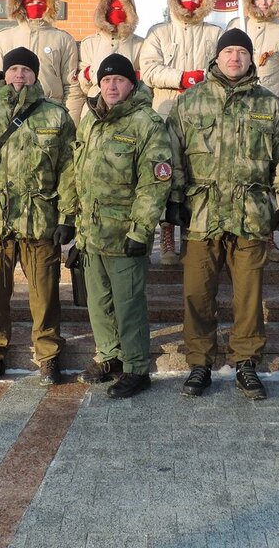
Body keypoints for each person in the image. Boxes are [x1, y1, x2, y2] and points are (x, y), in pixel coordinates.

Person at [166, 29, 279, 401]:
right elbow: (173, 152)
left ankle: (246, 362)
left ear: (251, 58)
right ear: (217, 57)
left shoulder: (269, 105)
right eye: (229, 51)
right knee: (197, 294)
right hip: (201, 213)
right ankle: (200, 363)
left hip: (250, 214)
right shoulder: (190, 103)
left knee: (248, 296)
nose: (235, 58)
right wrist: (174, 199)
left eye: (242, 51)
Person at [0, 47, 76, 386]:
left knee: (45, 295)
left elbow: (69, 170)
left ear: (36, 75)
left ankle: (49, 355)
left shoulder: (56, 116)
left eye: (26, 69)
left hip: (40, 220)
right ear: (3, 74)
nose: (19, 75)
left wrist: (68, 217)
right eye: (14, 69)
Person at [74, 54, 172, 398]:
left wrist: (141, 230)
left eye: (118, 80)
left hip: (125, 234)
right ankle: (109, 355)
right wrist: (74, 226)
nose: (111, 86)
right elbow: (78, 174)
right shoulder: (90, 121)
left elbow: (155, 183)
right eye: (105, 80)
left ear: (132, 83)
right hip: (91, 232)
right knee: (98, 302)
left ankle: (135, 367)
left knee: (128, 303)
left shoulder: (146, 123)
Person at [139, 0, 221, 266]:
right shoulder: (159, 32)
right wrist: (180, 78)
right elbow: (148, 69)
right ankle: (167, 232)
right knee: (165, 172)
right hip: (165, 110)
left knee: (196, 172)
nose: (190, 2)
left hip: (203, 115)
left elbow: (221, 68)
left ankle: (194, 231)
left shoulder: (214, 34)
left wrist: (204, 78)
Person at [227, 0, 279, 263]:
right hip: (239, 110)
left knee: (270, 173)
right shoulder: (238, 25)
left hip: (271, 112)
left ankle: (267, 238)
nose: (264, 1)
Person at [0, 0, 83, 122]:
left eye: (40, 2)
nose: (35, 6)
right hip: (11, 115)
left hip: (51, 115)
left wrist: (69, 121)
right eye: (30, 2)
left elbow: (71, 87)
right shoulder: (4, 37)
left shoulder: (63, 39)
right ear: (21, 5)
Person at [77, 0, 144, 118]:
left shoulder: (140, 44)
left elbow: (145, 82)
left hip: (130, 112)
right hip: (94, 110)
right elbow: (82, 86)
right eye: (112, 8)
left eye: (121, 8)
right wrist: (87, 74)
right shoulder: (89, 43)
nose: (117, 11)